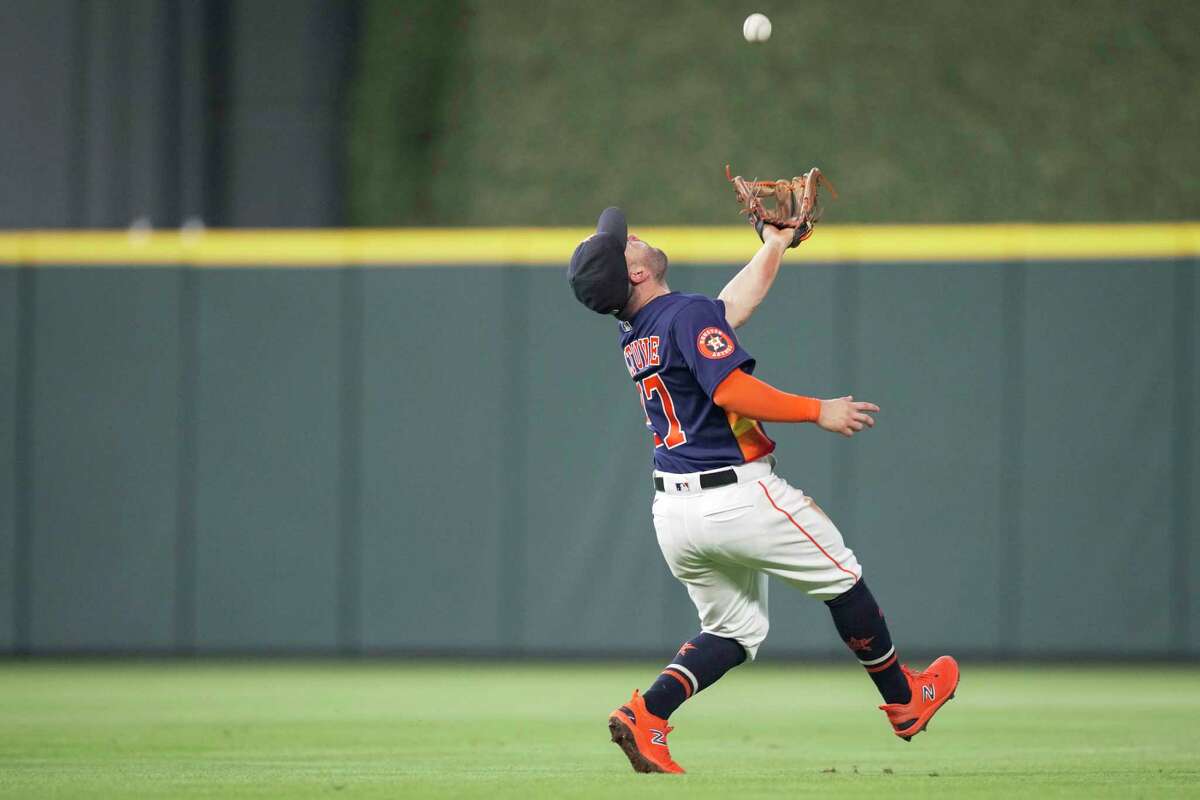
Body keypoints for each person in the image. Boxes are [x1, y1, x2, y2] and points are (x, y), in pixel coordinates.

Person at [567, 208, 959, 775]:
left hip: (675, 512)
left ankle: (645, 715)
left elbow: (730, 309)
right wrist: (817, 410)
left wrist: (774, 245)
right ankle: (904, 699)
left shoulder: (646, 327)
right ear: (635, 276)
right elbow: (729, 388)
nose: (633, 238)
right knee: (842, 579)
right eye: (624, 246)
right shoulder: (683, 314)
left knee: (733, 630)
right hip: (738, 497)